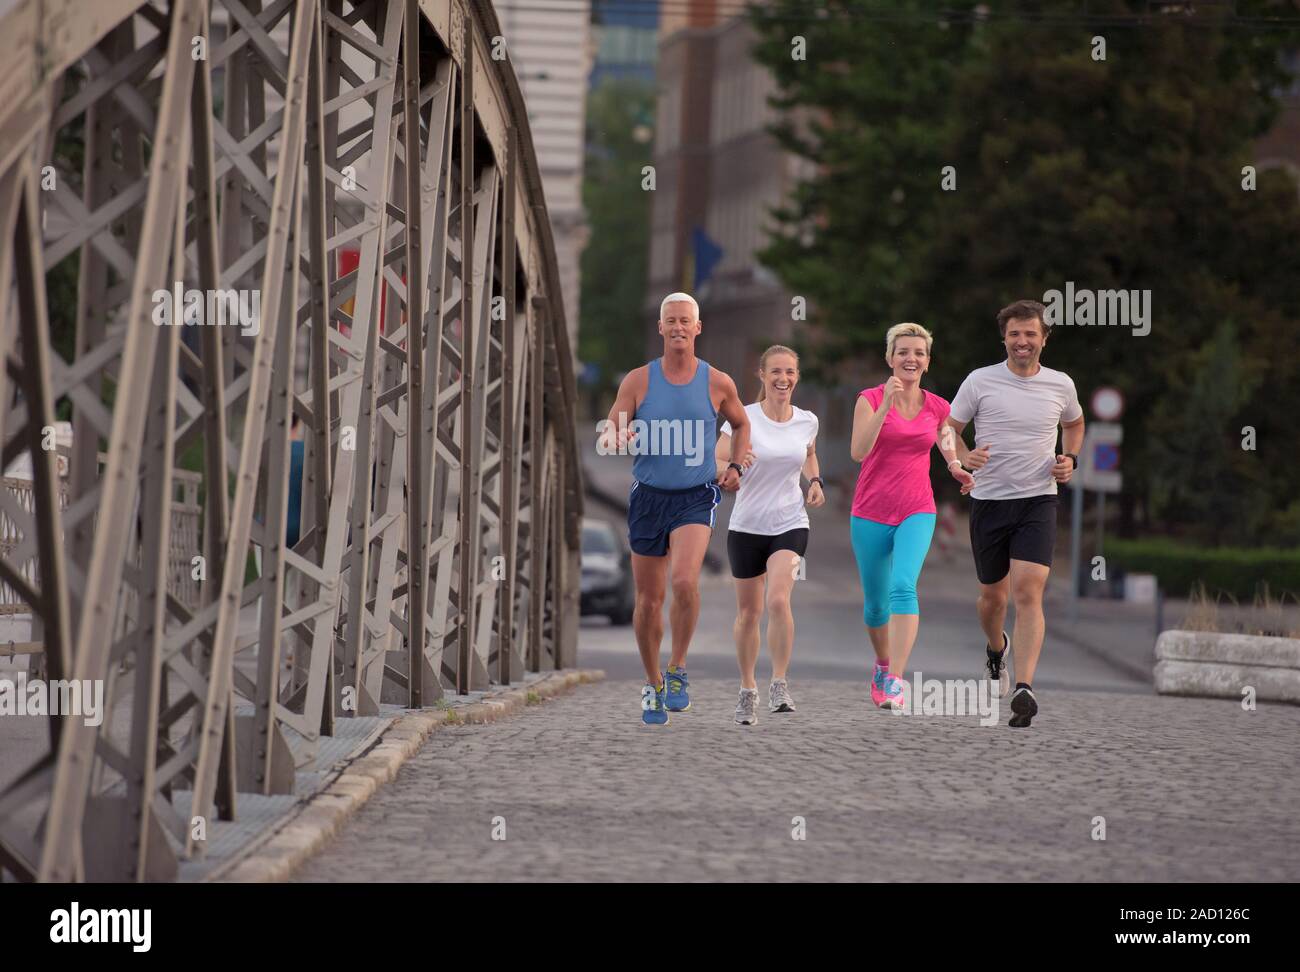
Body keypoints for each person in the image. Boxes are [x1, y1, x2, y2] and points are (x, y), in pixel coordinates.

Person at [599, 292, 751, 725]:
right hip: (648, 498)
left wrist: (736, 465)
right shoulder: (638, 381)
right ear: (661, 328)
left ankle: (678, 667)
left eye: (686, 320)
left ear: (697, 328)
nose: (679, 327)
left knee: (685, 581)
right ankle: (652, 683)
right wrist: (616, 438)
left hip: (695, 495)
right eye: (672, 321)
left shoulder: (717, 382)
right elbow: (611, 429)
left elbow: (741, 424)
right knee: (649, 601)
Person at [944, 298, 1085, 728]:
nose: (1022, 342)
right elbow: (948, 428)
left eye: (1030, 334)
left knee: (1029, 590)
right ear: (1004, 338)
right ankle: (995, 650)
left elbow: (1074, 424)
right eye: (1014, 334)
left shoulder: (1061, 384)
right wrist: (965, 458)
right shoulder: (980, 381)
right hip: (989, 501)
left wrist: (1071, 458)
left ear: (1044, 338)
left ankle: (1024, 686)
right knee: (993, 598)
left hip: (1038, 500)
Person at [849, 323, 973, 709]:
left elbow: (947, 439)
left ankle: (896, 681)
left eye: (918, 353)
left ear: (927, 361)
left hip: (917, 509)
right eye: (903, 351)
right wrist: (885, 404)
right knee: (875, 607)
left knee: (903, 586)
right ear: (890, 358)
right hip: (869, 512)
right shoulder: (868, 399)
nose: (911, 358)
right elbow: (858, 451)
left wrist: (955, 465)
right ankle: (883, 663)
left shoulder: (938, 406)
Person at [715, 345, 823, 726]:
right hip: (746, 526)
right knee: (749, 612)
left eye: (790, 372)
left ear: (797, 376)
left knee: (778, 600)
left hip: (789, 523)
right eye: (775, 372)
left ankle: (779, 682)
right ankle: (748, 689)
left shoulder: (807, 420)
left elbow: (808, 454)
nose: (783, 379)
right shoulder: (743, 418)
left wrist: (815, 481)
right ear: (761, 375)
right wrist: (732, 467)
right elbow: (719, 458)